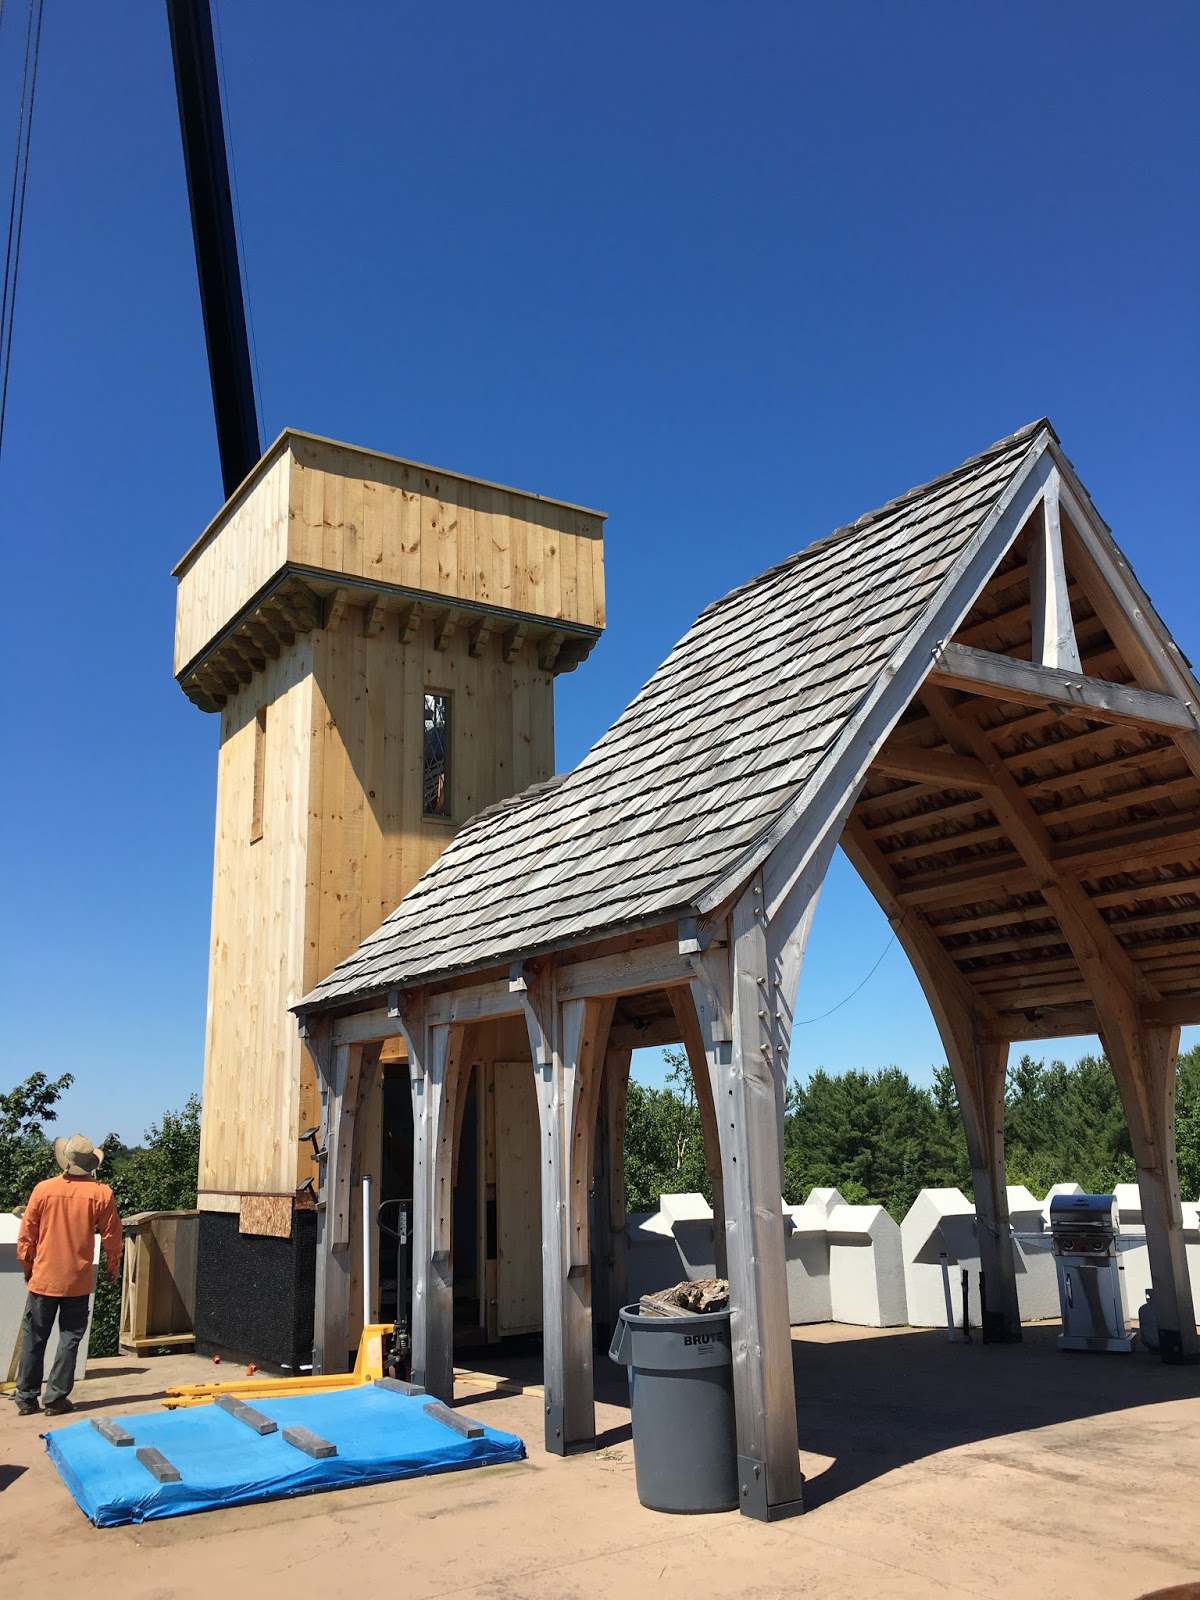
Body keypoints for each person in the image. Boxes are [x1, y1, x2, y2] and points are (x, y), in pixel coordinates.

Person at [14, 1134, 122, 1417]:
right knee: (69, 1339)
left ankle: (26, 1398)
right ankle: (56, 1399)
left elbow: (27, 1234)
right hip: (77, 1280)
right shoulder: (102, 1193)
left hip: (44, 1277)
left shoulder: (43, 1189)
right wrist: (113, 1265)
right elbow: (112, 1235)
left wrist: (28, 1267)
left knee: (35, 1338)